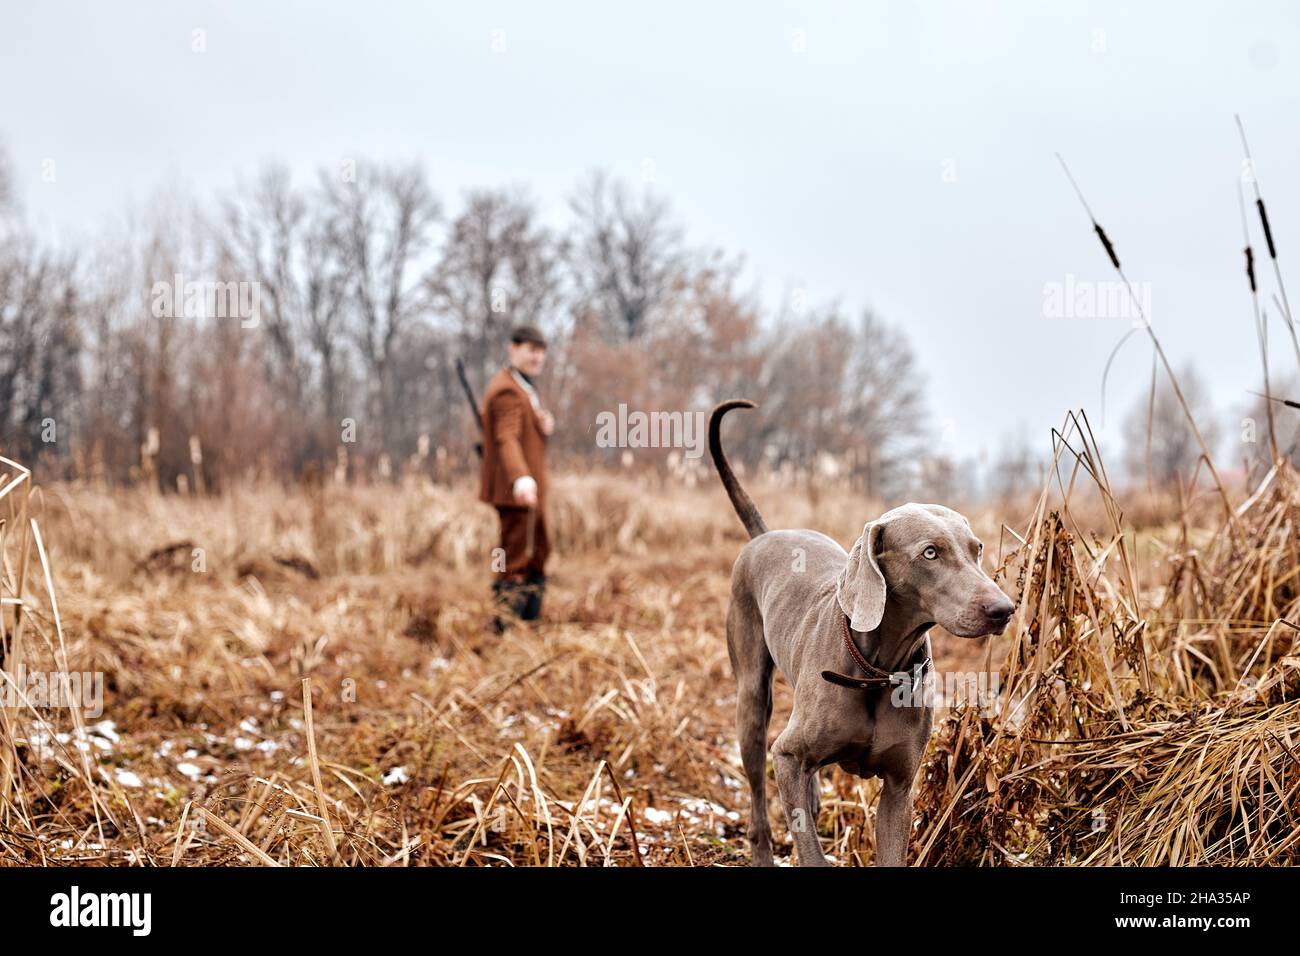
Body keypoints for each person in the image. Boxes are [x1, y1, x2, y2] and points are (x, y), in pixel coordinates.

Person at [480, 324, 555, 630]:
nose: (537, 357)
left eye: (541, 351)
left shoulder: (522, 385)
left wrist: (541, 423)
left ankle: (529, 621)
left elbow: (518, 430)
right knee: (514, 557)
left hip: (528, 490)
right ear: (514, 349)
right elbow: (506, 438)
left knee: (538, 550)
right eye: (531, 350)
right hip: (516, 491)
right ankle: (504, 628)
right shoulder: (507, 389)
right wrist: (520, 478)